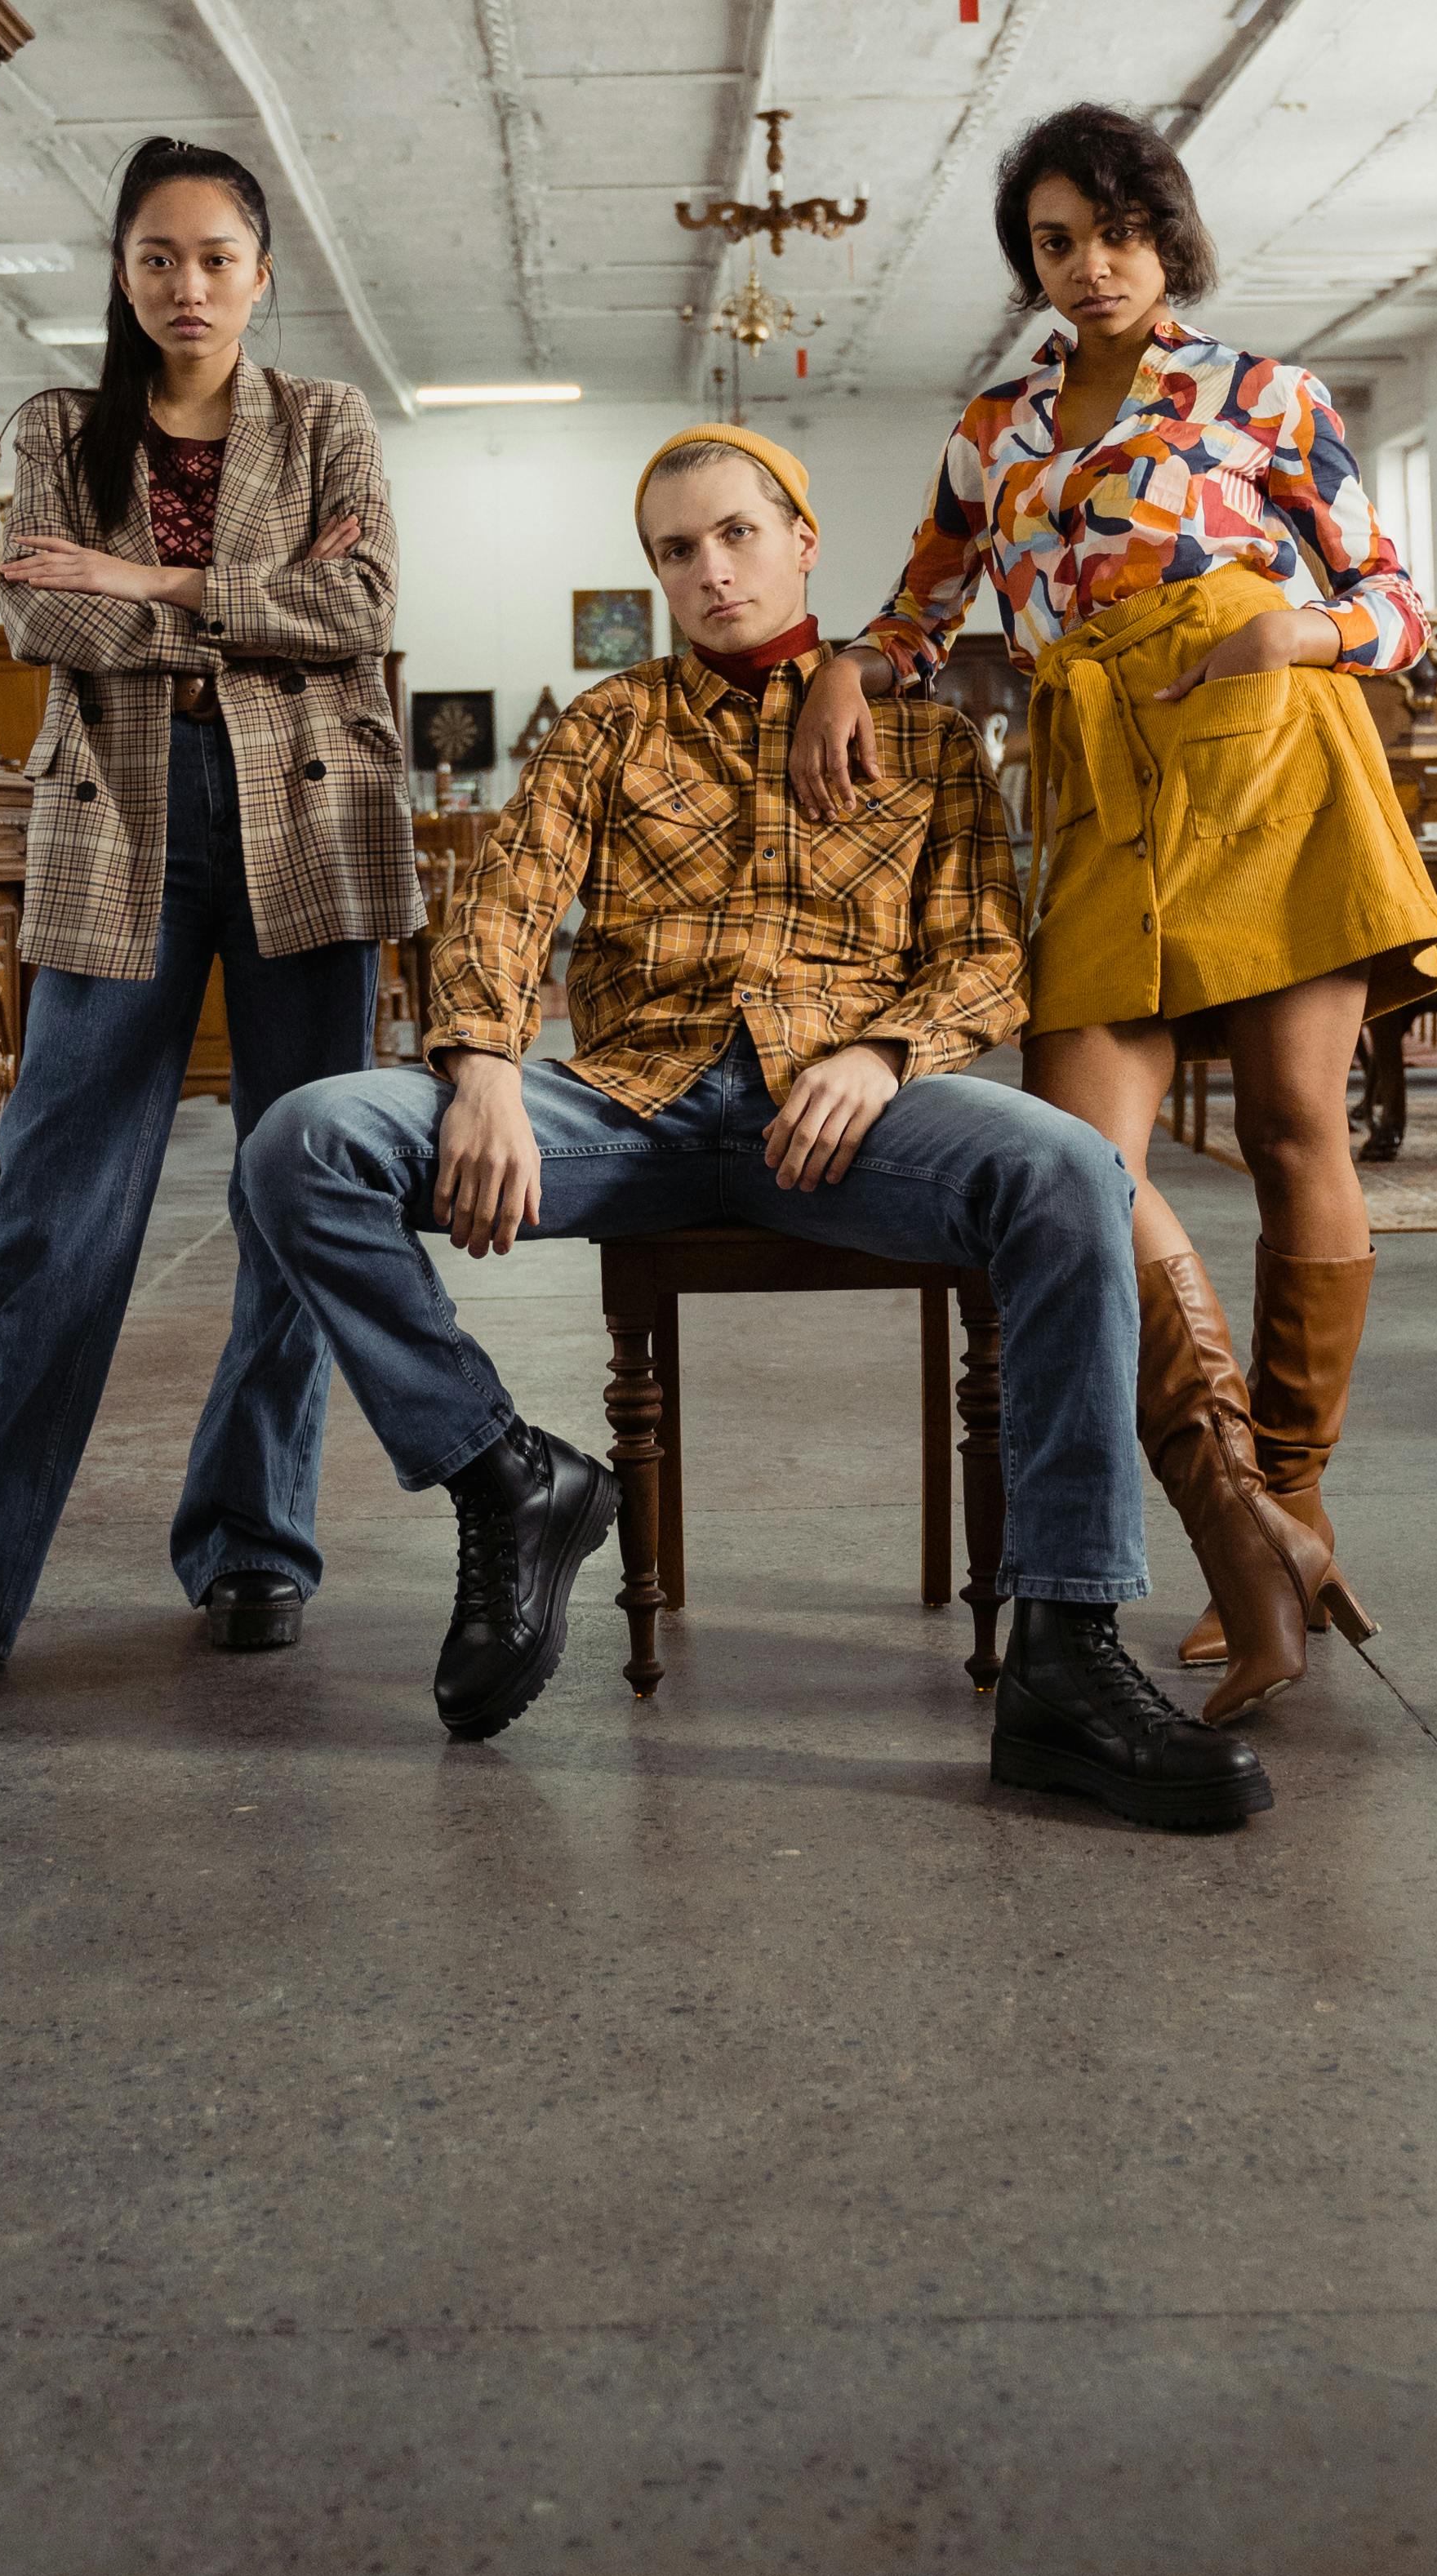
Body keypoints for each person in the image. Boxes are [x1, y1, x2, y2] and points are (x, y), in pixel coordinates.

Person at [238, 423, 1271, 1833]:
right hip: (625, 1108)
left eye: (735, 535)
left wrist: (882, 1051)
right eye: (676, 549)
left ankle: (1064, 1658)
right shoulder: (610, 724)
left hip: (843, 1121)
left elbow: (983, 952)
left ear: (801, 539)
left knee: (1069, 1167)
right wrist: (482, 1062)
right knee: (304, 1139)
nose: (709, 571)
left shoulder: (922, 738)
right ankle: (507, 1475)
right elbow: (501, 904)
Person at [790, 106, 1437, 1729]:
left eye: (1114, 232)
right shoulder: (991, 425)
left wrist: (1292, 633)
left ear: (1170, 233)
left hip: (1264, 761)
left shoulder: (1266, 396)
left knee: (1299, 1128)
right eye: (1055, 241)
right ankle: (1253, 1525)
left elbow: (1396, 601)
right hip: (1093, 783)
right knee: (1078, 1164)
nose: (1088, 265)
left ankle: (1301, 1485)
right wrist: (834, 665)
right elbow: (922, 614)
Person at [0, 133, 420, 1710]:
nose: (187, 286)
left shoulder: (327, 419)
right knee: (50, 1205)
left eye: (217, 257)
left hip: (314, 836)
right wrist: (238, 595)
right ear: (123, 272)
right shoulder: (58, 428)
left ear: (263, 271)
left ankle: (253, 1546)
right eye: (157, 257)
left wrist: (150, 591)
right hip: (122, 837)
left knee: (303, 1192)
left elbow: (364, 613)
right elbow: (38, 612)